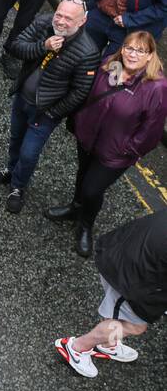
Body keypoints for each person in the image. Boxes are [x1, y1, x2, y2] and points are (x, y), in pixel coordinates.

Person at [0, 0, 100, 213]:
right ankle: (10, 170)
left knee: (29, 153)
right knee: (16, 139)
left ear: (82, 22)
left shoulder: (88, 52)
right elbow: (16, 46)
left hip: (45, 113)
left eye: (68, 19)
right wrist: (43, 46)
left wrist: (52, 114)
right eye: (59, 15)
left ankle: (18, 187)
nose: (61, 22)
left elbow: (80, 92)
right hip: (22, 99)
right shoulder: (44, 23)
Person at [56, 32, 167, 255]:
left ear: (150, 56)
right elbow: (93, 96)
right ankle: (74, 209)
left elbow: (151, 130)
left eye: (140, 50)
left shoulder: (157, 87)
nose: (132, 54)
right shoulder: (110, 64)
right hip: (89, 138)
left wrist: (127, 149)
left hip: (116, 153)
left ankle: (85, 225)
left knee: (92, 189)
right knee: (82, 175)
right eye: (129, 48)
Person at [53, 207, 167, 377]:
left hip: (121, 249)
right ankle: (77, 348)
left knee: (120, 314)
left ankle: (108, 343)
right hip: (130, 274)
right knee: (135, 325)